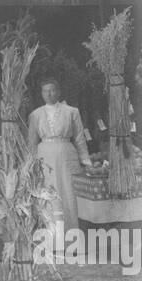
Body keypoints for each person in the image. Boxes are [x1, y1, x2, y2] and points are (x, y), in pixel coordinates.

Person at [26, 77, 93, 234]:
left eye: (52, 90)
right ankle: (51, 239)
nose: (49, 94)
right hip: (44, 157)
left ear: (58, 91)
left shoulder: (71, 112)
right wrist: (30, 164)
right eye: (45, 91)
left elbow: (79, 138)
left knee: (67, 193)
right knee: (48, 193)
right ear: (41, 94)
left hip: (65, 155)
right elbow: (31, 142)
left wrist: (86, 160)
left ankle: (71, 237)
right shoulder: (35, 115)